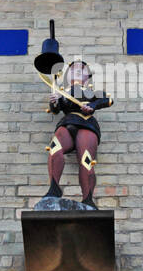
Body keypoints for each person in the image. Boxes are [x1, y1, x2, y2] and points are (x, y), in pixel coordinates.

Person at [44, 61, 112, 208]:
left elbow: (107, 99)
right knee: (55, 147)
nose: (76, 73)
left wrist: (92, 106)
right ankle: (54, 188)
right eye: (73, 71)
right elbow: (56, 110)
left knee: (86, 159)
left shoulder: (90, 92)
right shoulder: (63, 93)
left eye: (80, 71)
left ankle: (88, 198)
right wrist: (54, 102)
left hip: (86, 123)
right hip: (67, 122)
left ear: (87, 77)